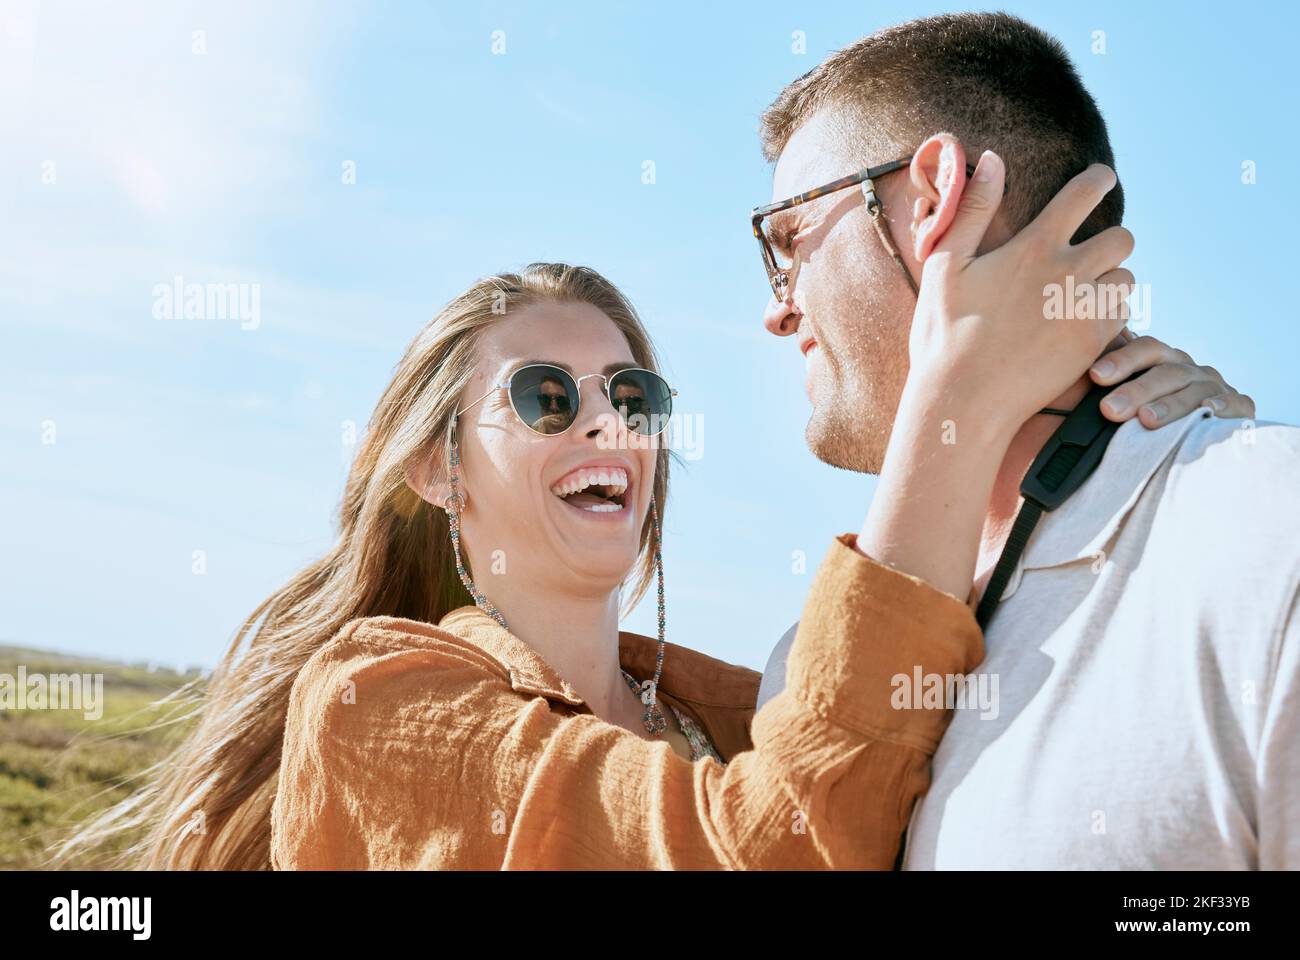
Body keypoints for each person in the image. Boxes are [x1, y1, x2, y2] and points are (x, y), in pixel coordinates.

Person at [53, 153, 1190, 868]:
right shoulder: (374, 705)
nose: (612, 426)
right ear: (439, 470)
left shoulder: (743, 708)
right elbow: (773, 847)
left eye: (633, 395)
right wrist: (955, 399)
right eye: (547, 397)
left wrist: (1127, 426)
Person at [753, 12, 1298, 869]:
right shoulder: (804, 673)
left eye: (787, 239)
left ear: (934, 202)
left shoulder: (1270, 547)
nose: (778, 307)